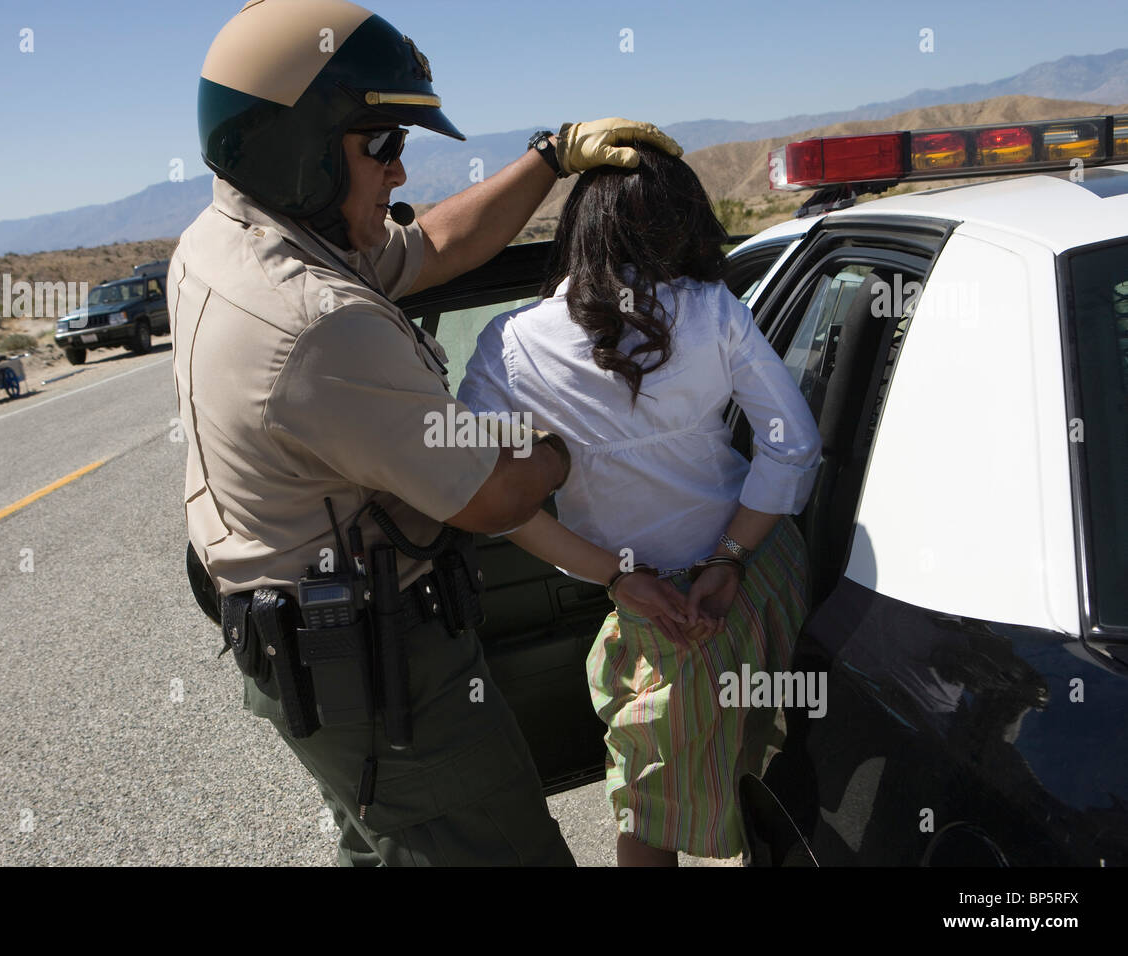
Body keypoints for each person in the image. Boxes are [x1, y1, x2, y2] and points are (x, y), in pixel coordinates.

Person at [169, 0, 684, 866]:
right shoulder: (311, 321)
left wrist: (549, 157)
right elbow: (494, 494)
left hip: (317, 649)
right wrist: (575, 426)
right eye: (382, 146)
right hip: (377, 669)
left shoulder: (245, 236)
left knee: (389, 843)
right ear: (297, 146)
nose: (401, 174)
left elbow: (435, 245)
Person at [457, 144, 822, 866]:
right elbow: (793, 446)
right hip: (761, 574)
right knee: (775, 767)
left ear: (579, 230)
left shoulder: (512, 343)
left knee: (648, 806)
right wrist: (730, 559)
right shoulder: (713, 308)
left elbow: (482, 496)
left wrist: (617, 578)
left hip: (658, 611)